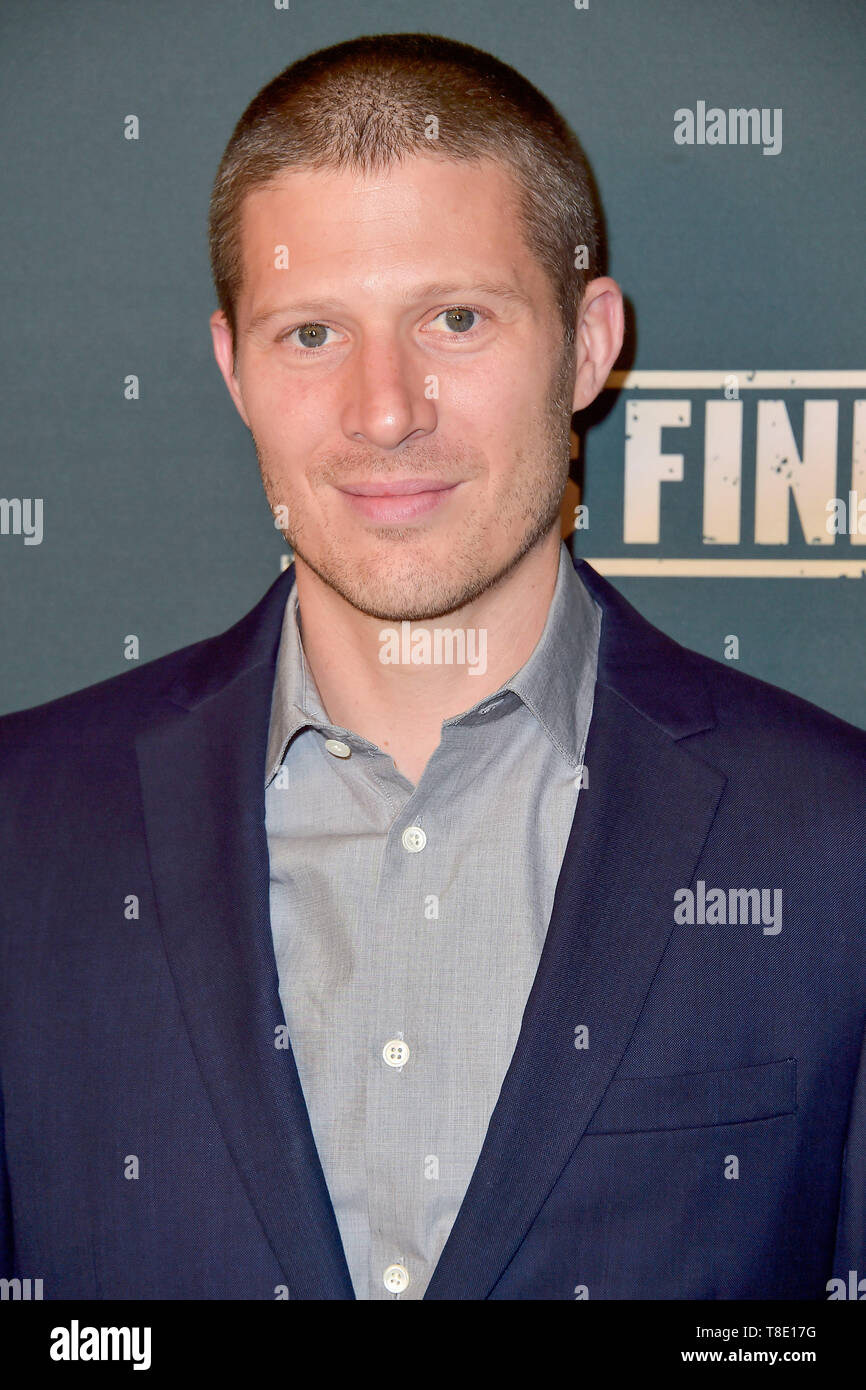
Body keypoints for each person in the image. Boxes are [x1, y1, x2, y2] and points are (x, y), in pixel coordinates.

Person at [1, 32, 863, 1302]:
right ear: (234, 368)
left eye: (454, 318)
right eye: (310, 335)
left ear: (586, 346)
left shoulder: (831, 839)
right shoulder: (23, 827)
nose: (385, 407)